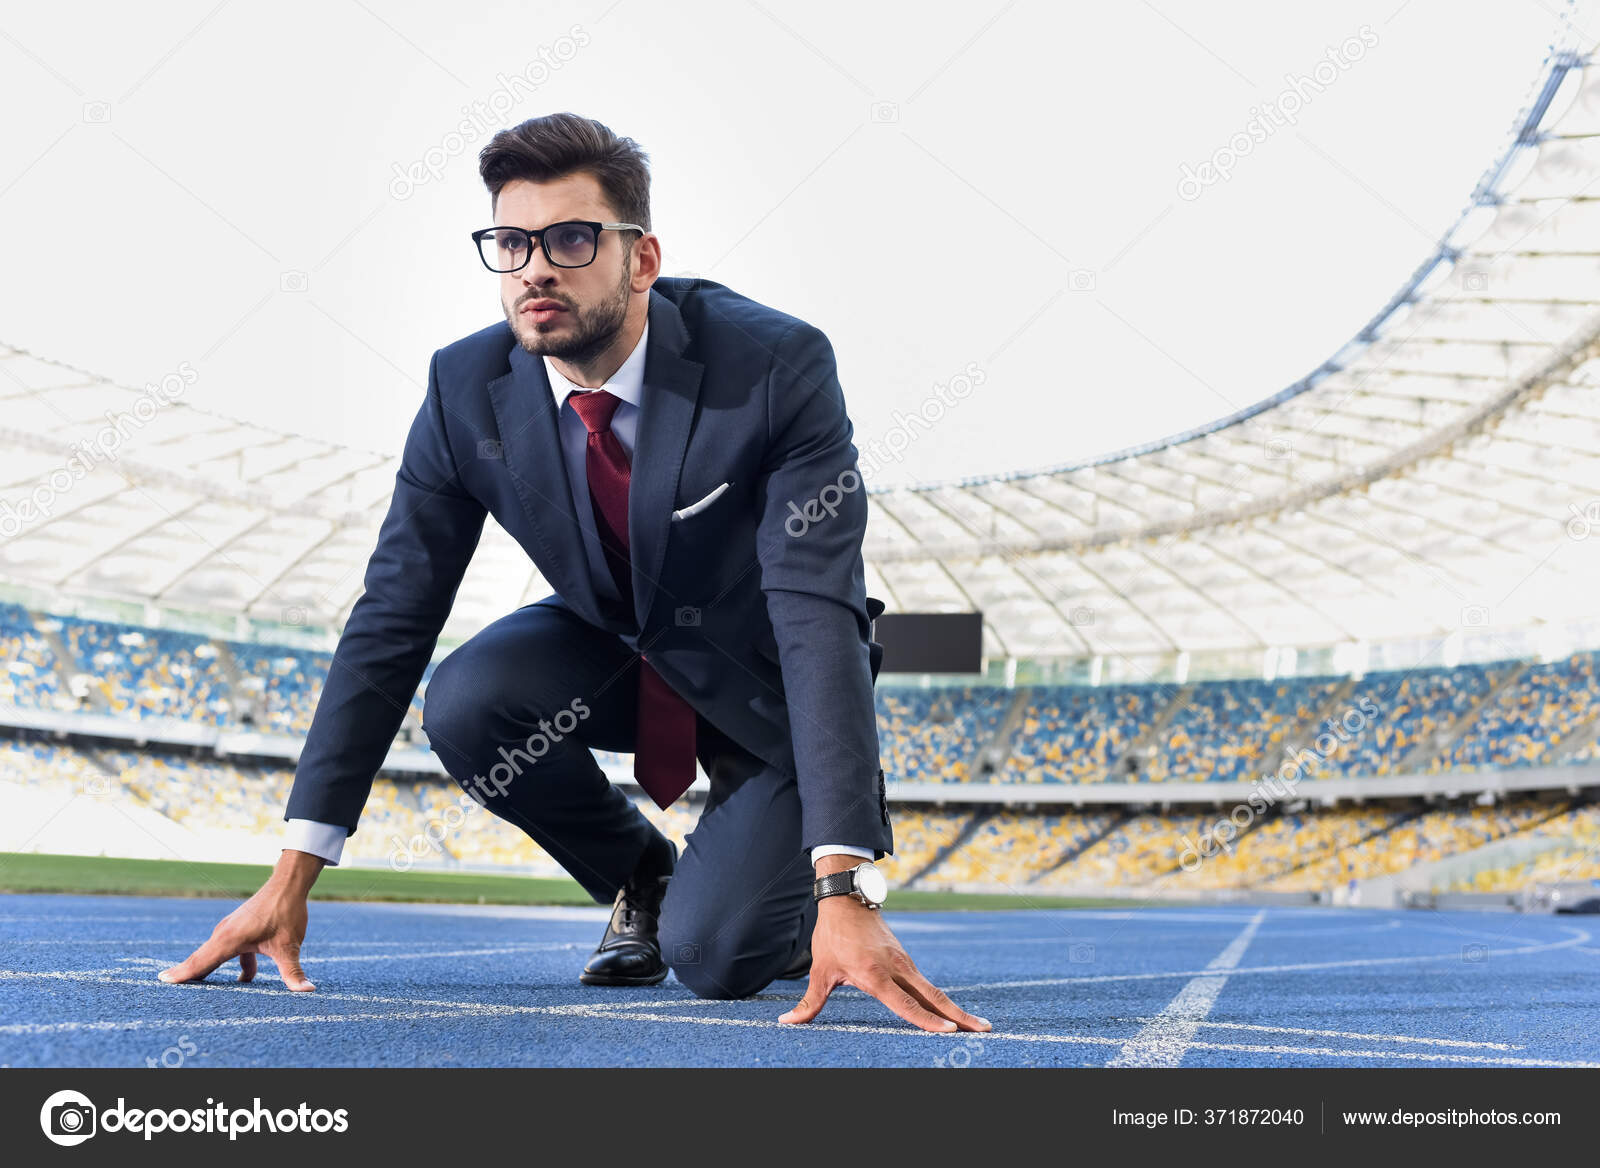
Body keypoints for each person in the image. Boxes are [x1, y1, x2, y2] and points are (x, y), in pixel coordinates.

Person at [159, 112, 988, 1035]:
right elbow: (394, 614)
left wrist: (848, 890)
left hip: (768, 683)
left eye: (570, 238)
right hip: (616, 653)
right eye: (511, 243)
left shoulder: (772, 366)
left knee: (713, 960)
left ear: (641, 258)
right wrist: (290, 874)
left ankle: (765, 900)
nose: (535, 268)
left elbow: (814, 608)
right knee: (468, 699)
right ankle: (642, 871)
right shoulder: (462, 389)